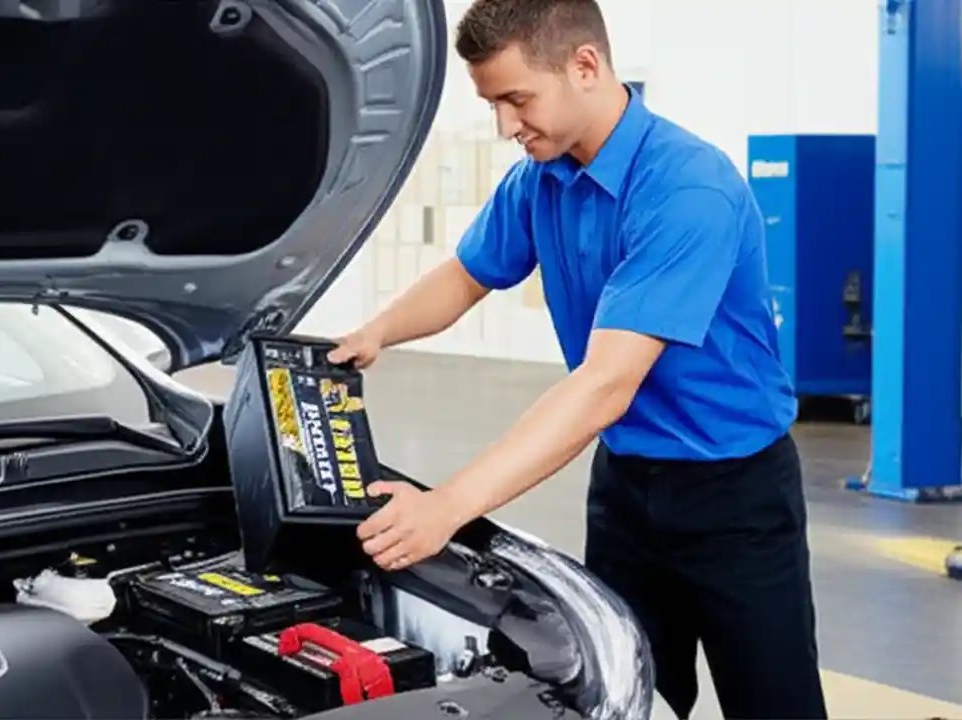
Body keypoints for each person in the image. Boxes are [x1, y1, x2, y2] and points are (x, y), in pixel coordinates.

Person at [326, 1, 828, 718]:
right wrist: (373, 334)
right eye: (493, 103)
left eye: (516, 99)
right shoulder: (541, 179)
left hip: (735, 497)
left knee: (774, 702)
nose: (505, 126)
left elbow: (604, 385)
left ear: (585, 66)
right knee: (626, 696)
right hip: (626, 490)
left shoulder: (688, 190)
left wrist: (448, 507)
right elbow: (467, 276)